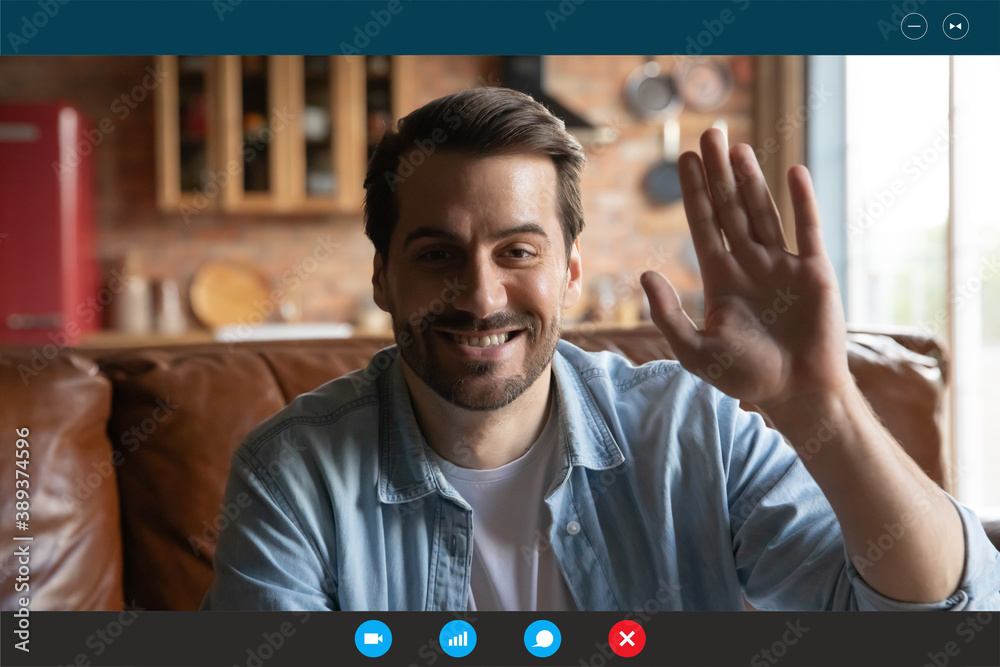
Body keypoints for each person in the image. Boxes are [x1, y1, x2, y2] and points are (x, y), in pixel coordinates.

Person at [202, 87, 1000, 611]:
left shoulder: (696, 431)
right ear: (382, 276)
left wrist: (820, 402)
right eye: (437, 254)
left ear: (571, 271)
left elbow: (942, 617)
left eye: (518, 251)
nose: (481, 297)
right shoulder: (292, 474)